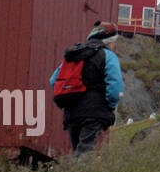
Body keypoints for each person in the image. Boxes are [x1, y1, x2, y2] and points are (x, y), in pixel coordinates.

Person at [50, 20, 124, 156]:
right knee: (85, 155)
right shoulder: (108, 55)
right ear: (110, 41)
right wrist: (110, 105)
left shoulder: (74, 55)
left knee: (78, 150)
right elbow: (115, 87)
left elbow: (53, 80)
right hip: (94, 112)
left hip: (72, 113)